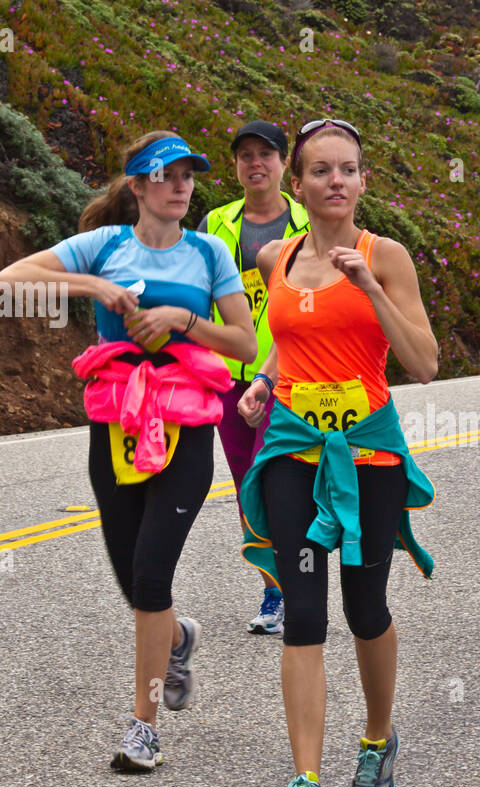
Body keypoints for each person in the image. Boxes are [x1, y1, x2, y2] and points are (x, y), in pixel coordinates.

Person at [0, 132, 257, 770]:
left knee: (149, 577)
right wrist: (95, 289)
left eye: (189, 175)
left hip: (187, 427)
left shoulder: (210, 252)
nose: (181, 186)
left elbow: (246, 345)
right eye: (165, 175)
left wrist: (178, 321)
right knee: (133, 582)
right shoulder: (105, 246)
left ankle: (142, 727)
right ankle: (176, 637)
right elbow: (8, 281)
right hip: (114, 428)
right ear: (137, 186)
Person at [236, 119, 438, 787]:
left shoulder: (387, 258)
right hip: (294, 446)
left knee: (364, 605)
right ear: (296, 185)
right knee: (304, 610)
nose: (335, 182)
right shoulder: (274, 257)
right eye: (319, 171)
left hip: (368, 456)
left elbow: (423, 362)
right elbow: (289, 343)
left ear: (363, 182)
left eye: (347, 170)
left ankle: (379, 739)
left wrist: (370, 288)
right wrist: (264, 380)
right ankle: (307, 781)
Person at [198, 121, 310, 636]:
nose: (255, 164)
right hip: (228, 378)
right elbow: (198, 294)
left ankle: (296, 579)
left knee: (279, 480)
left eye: (266, 154)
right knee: (246, 485)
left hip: (291, 374)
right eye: (245, 155)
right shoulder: (216, 223)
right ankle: (273, 588)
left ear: (285, 164)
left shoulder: (311, 221)